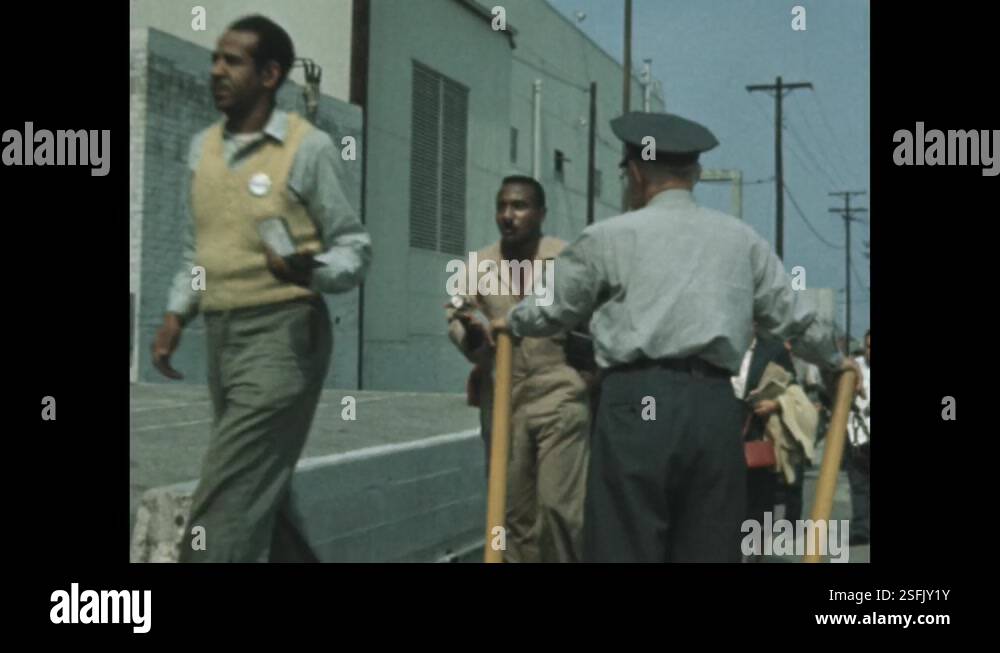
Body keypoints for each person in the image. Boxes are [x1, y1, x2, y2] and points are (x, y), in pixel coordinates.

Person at [490, 112, 862, 563]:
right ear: (695, 174)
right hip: (712, 407)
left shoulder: (608, 237)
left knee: (625, 544)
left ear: (639, 174)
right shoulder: (741, 240)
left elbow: (551, 309)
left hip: (635, 405)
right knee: (708, 548)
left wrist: (512, 323)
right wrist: (835, 361)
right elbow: (797, 321)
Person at [150, 15, 372, 562]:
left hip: (284, 338)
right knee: (258, 495)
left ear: (270, 74)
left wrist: (309, 269)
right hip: (222, 337)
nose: (216, 70)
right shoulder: (201, 147)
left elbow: (354, 247)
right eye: (214, 59)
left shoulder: (308, 147)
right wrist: (179, 313)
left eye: (233, 61)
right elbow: (195, 245)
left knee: (225, 502)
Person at [445, 175, 590, 563]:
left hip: (559, 391)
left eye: (520, 206)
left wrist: (588, 377)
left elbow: (596, 319)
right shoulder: (478, 264)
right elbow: (456, 316)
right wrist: (472, 338)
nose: (509, 216)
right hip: (504, 396)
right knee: (511, 514)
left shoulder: (567, 259)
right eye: (503, 206)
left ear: (541, 213)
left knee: (560, 508)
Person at [846, 329, 871, 545]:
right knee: (859, 485)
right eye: (869, 346)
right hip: (858, 437)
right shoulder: (855, 368)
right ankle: (862, 528)